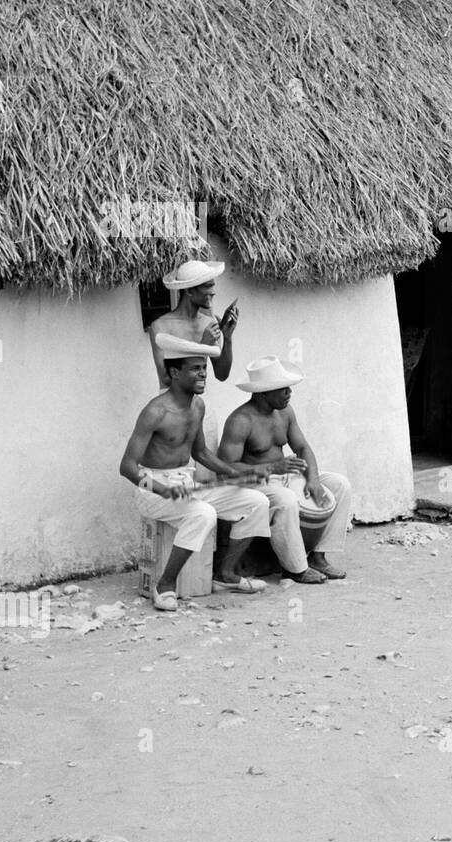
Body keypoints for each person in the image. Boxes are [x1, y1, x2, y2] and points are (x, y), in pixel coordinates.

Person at [121, 334, 271, 610]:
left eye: (204, 367)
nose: (204, 374)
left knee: (257, 502)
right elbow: (127, 467)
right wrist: (163, 489)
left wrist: (234, 474)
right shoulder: (155, 412)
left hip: (185, 485)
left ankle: (226, 575)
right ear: (175, 373)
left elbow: (200, 453)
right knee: (203, 513)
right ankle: (164, 585)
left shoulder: (197, 406)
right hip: (153, 490)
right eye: (196, 368)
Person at [218, 356, 353, 583]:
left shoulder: (285, 412)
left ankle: (318, 556)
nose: (289, 393)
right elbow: (225, 469)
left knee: (341, 485)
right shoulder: (241, 420)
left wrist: (314, 479)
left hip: (286, 474)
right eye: (283, 389)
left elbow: (303, 447)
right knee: (286, 499)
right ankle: (296, 568)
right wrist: (272, 467)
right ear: (263, 393)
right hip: (255, 482)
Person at [148, 258, 239, 386]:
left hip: (195, 403)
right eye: (208, 286)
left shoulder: (209, 323)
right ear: (189, 291)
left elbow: (221, 375)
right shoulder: (161, 326)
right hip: (170, 404)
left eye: (213, 286)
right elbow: (166, 379)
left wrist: (227, 338)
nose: (213, 292)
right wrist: (203, 346)